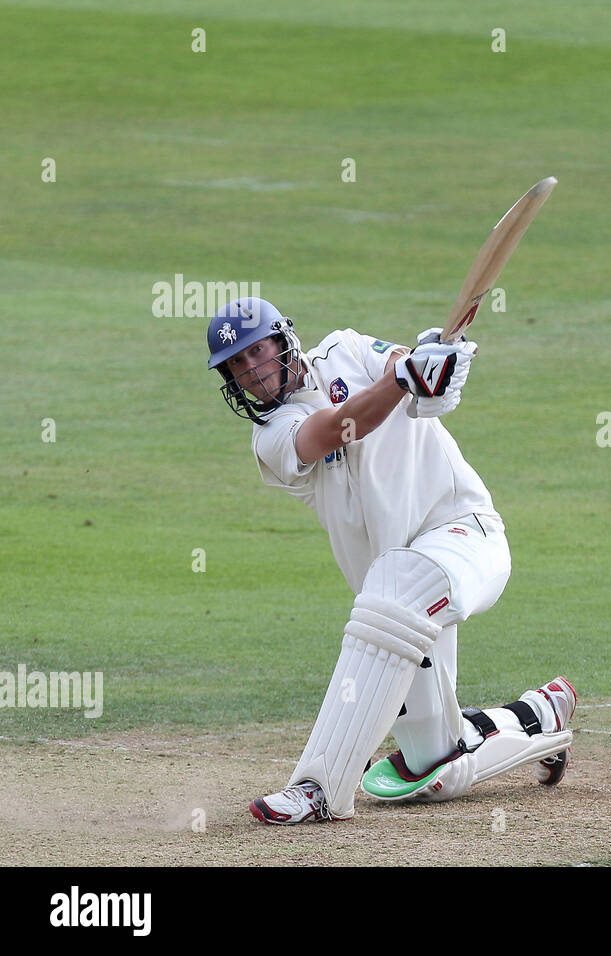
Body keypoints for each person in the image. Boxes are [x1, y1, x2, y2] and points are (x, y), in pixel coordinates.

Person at [205, 297, 577, 824]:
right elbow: (336, 428)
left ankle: (318, 788)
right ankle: (540, 715)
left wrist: (430, 368)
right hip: (397, 603)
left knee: (395, 581)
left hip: (463, 536)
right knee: (435, 764)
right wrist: (405, 378)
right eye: (237, 366)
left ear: (283, 339)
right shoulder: (271, 438)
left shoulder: (344, 348)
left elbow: (401, 368)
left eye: (256, 352)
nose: (252, 372)